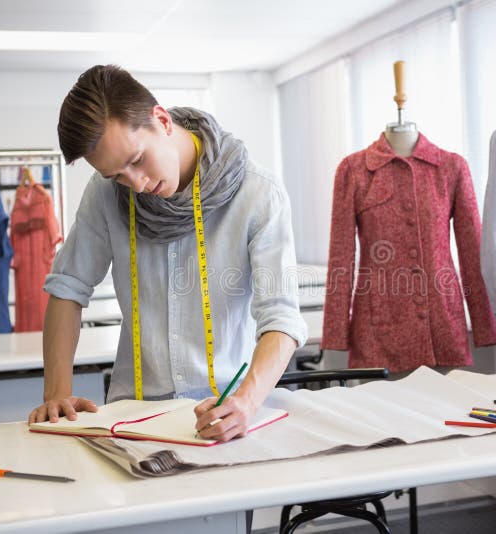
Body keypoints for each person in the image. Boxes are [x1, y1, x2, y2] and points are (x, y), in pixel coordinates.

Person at [27, 65, 307, 443]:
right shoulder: (106, 194)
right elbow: (68, 286)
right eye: (118, 175)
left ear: (161, 120)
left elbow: (282, 317)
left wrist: (246, 401)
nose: (137, 184)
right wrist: (56, 395)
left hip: (222, 414)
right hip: (130, 420)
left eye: (138, 159)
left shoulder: (258, 194)